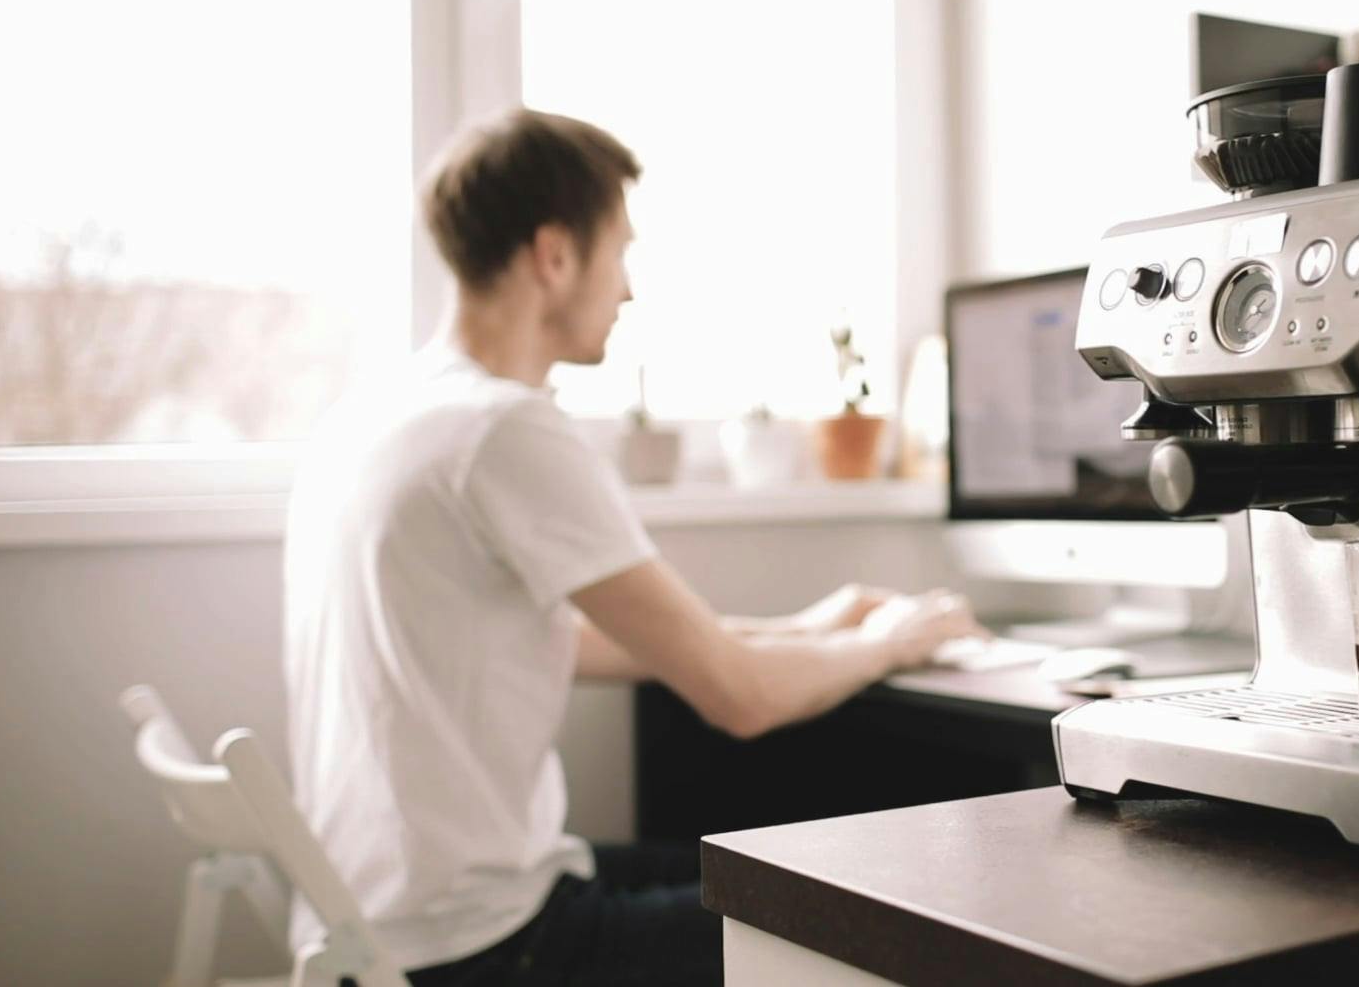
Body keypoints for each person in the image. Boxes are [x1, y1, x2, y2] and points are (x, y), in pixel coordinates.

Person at [281, 108, 983, 986]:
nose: (628, 288)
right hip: (481, 949)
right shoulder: (502, 430)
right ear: (554, 256)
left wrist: (809, 627)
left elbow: (561, 642)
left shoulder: (381, 417)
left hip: (378, 923)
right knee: (872, 919)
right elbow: (740, 702)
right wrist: (895, 642)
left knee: (756, 863)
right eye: (620, 251)